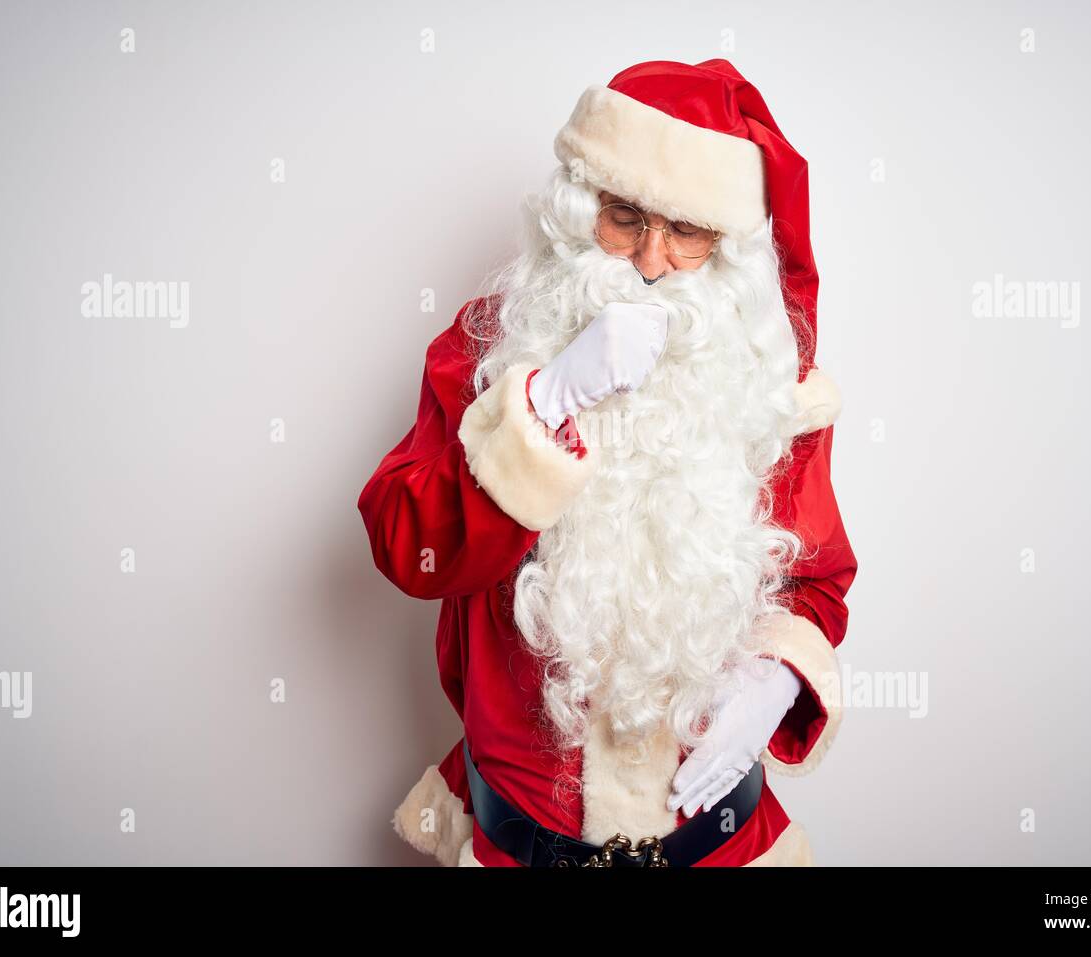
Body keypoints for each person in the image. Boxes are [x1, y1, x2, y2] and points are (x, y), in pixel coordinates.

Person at [358, 58, 856, 867]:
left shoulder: (766, 389)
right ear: (580, 211)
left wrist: (777, 678)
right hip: (520, 843)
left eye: (686, 232)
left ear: (728, 249)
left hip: (719, 845)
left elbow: (816, 579)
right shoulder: (487, 352)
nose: (650, 261)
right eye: (626, 218)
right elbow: (404, 545)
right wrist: (546, 402)